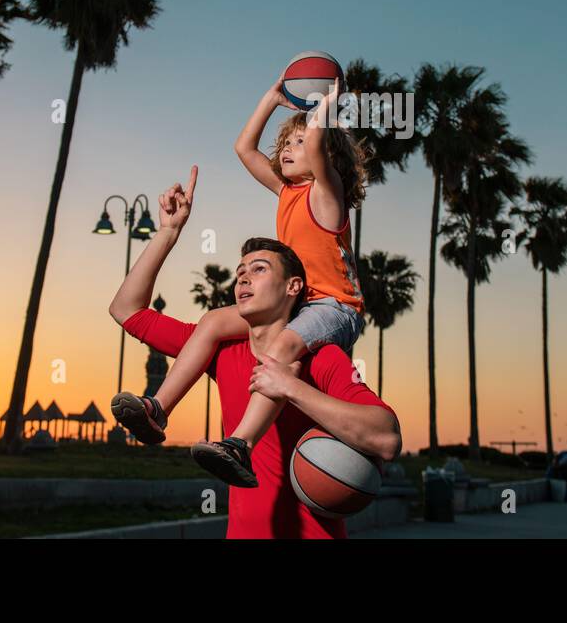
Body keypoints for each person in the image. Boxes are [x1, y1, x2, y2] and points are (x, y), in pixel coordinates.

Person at [107, 165, 401, 538]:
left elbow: (387, 438)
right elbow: (127, 311)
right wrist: (167, 232)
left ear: (293, 286)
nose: (243, 277)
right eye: (240, 272)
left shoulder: (321, 358)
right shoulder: (217, 347)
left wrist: (291, 388)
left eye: (259, 269)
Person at [112, 78, 369, 489]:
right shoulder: (287, 192)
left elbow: (320, 145)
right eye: (285, 143)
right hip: (298, 303)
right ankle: (158, 409)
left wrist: (325, 106)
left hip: (333, 307)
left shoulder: (327, 194)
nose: (287, 149)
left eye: (298, 142)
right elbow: (244, 150)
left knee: (284, 345)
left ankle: (239, 446)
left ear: (325, 153)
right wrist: (271, 99)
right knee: (213, 321)